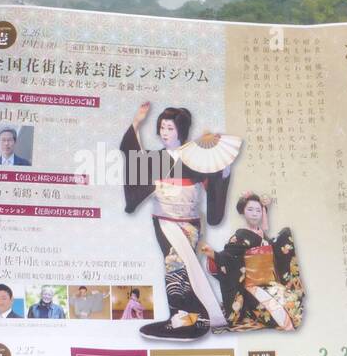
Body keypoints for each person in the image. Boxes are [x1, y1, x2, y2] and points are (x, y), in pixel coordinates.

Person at [120, 103, 233, 340]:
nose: (164, 132)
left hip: (188, 222)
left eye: (170, 128)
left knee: (181, 266)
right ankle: (188, 317)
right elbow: (132, 156)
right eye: (162, 127)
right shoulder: (156, 158)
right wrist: (137, 122)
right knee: (174, 265)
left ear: (181, 130)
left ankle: (188, 317)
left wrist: (222, 162)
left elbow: (214, 181)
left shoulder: (196, 158)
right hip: (163, 221)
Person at [201, 193, 304, 332]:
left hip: (270, 283)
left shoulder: (262, 234)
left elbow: (276, 250)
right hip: (252, 287)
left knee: (293, 303)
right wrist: (213, 254)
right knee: (278, 312)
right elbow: (229, 257)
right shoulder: (240, 236)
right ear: (243, 211)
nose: (255, 214)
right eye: (250, 210)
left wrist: (285, 237)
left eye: (258, 210)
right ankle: (249, 309)